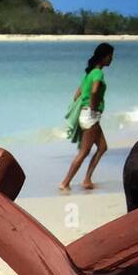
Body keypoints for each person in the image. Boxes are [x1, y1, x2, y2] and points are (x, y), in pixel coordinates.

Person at [59, 43, 114, 192]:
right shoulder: (98, 73)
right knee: (84, 152)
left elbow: (76, 95)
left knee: (102, 147)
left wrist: (86, 106)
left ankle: (87, 179)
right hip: (91, 116)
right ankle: (65, 182)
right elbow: (95, 91)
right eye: (110, 56)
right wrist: (93, 107)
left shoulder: (88, 74)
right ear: (104, 57)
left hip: (85, 115)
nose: (111, 59)